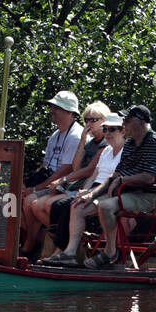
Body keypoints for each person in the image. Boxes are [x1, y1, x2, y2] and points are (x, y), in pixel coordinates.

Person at [82, 105, 156, 269]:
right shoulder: (129, 143)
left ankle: (109, 251)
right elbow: (114, 175)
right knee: (87, 204)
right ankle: (107, 250)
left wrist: (122, 180)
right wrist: (91, 194)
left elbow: (149, 177)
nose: (124, 123)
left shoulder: (155, 142)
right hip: (124, 194)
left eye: (127, 120)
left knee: (106, 206)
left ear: (141, 122)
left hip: (145, 197)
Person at [21, 90, 84, 257]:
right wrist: (27, 183)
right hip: (51, 181)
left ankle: (32, 244)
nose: (51, 110)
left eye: (57, 107)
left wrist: (36, 189)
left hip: (64, 183)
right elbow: (45, 166)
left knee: (29, 201)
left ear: (70, 112)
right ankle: (39, 239)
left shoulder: (75, 136)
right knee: (14, 197)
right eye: (52, 107)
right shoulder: (55, 136)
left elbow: (66, 169)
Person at [43, 102, 111, 254]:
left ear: (104, 120)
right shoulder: (91, 142)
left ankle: (62, 250)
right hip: (83, 184)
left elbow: (89, 170)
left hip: (96, 187)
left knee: (61, 205)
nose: (89, 123)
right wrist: (82, 140)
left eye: (94, 120)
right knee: (54, 206)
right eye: (86, 120)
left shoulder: (106, 143)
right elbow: (76, 167)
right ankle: (58, 248)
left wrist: (63, 180)